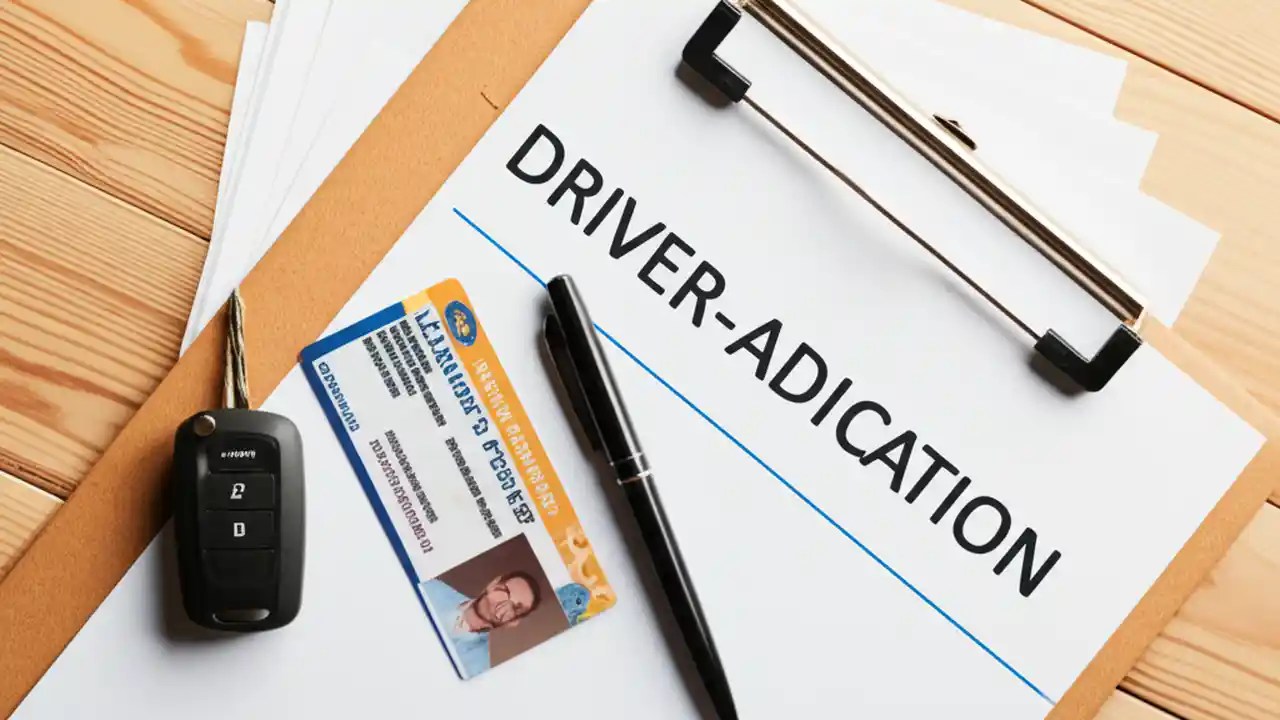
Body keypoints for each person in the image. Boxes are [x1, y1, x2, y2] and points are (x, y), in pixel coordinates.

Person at [420, 571, 542, 678]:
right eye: (506, 591)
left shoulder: (477, 668)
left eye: (515, 608)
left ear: (513, 622)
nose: (504, 607)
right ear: (493, 584)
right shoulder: (431, 588)